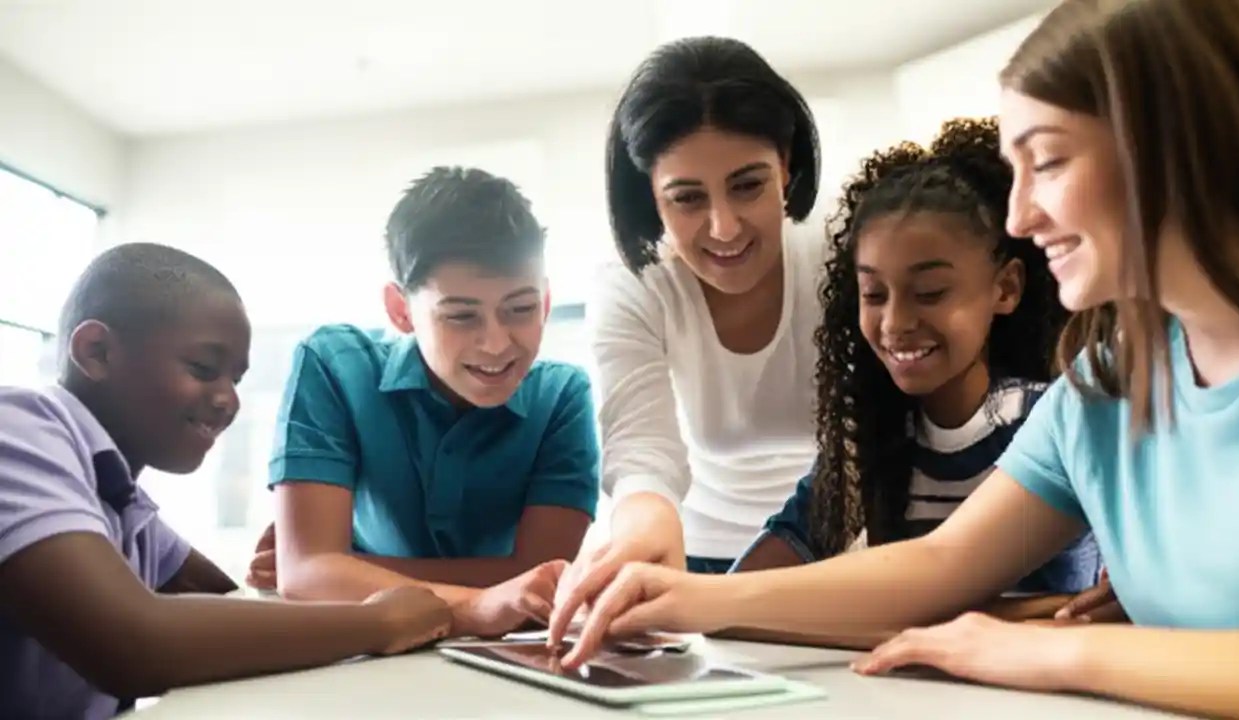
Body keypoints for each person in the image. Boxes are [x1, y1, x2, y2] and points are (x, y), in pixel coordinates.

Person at [552, 1, 1239, 717]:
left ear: (1181, 144)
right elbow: (941, 565)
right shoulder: (1105, 388)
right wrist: (687, 600)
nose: (1021, 216)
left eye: (1049, 162)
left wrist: (1051, 653)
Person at [0, 243, 559, 719]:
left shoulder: (121, 503)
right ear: (96, 352)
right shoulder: (18, 431)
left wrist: (450, 613)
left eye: (236, 378)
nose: (226, 400)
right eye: (202, 368)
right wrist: (377, 622)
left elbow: (231, 610)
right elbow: (130, 640)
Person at [732, 116, 1100, 600]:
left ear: (1005, 288)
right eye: (873, 293)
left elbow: (1076, 608)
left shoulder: (1053, 421)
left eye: (930, 292)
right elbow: (751, 581)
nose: (895, 322)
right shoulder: (870, 442)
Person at [551, 35, 826, 623]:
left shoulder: (842, 252)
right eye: (687, 199)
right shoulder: (632, 284)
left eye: (748, 185)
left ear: (787, 164)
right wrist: (644, 527)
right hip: (697, 559)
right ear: (651, 198)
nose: (724, 227)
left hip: (843, 553)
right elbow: (642, 447)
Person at [247, 167, 600, 602]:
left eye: (521, 309)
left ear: (545, 302)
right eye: (460, 315)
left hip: (509, 651)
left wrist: (344, 565)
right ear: (401, 311)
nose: (495, 344)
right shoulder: (334, 365)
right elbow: (307, 577)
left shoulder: (562, 396)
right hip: (365, 644)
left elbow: (545, 581)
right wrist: (490, 593)